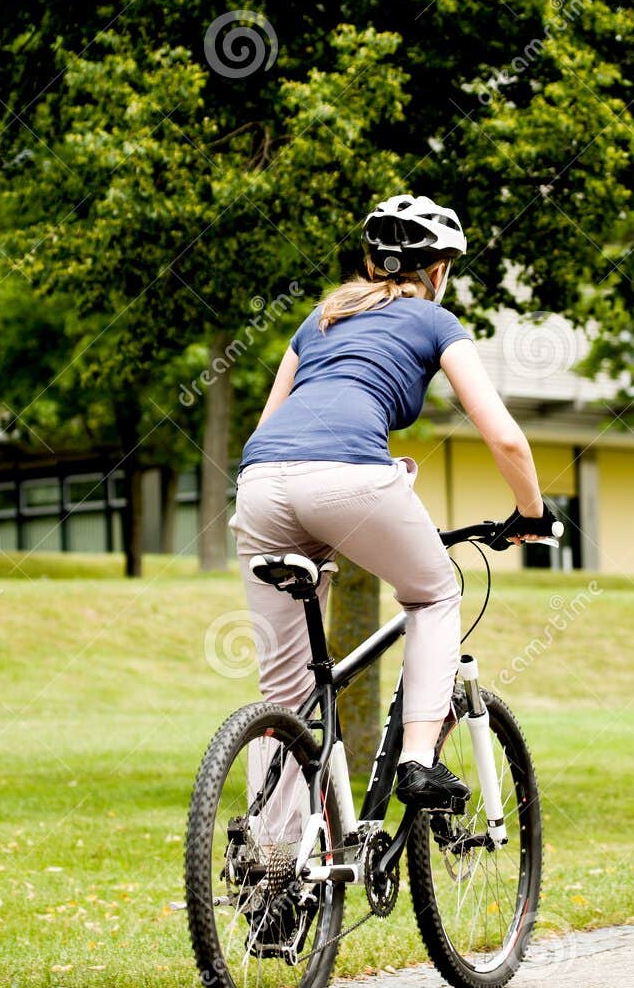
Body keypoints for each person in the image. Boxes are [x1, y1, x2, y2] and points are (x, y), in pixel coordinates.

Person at [231, 194, 550, 822]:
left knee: (287, 695)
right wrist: (532, 512)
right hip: (349, 481)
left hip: (261, 484)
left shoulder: (319, 317)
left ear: (374, 263)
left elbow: (269, 427)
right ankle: (418, 760)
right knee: (434, 594)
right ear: (438, 272)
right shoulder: (436, 322)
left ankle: (270, 874)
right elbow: (506, 437)